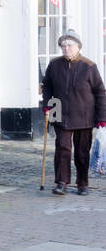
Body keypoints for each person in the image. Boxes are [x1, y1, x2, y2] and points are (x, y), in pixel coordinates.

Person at [40, 29, 106, 195]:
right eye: (63, 46)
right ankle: (61, 182)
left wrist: (102, 117)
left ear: (78, 47)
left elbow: (100, 92)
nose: (66, 49)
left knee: (82, 152)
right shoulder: (54, 65)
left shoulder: (89, 66)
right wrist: (47, 104)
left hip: (85, 116)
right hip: (60, 113)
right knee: (62, 149)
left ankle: (82, 184)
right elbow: (47, 85)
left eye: (69, 45)